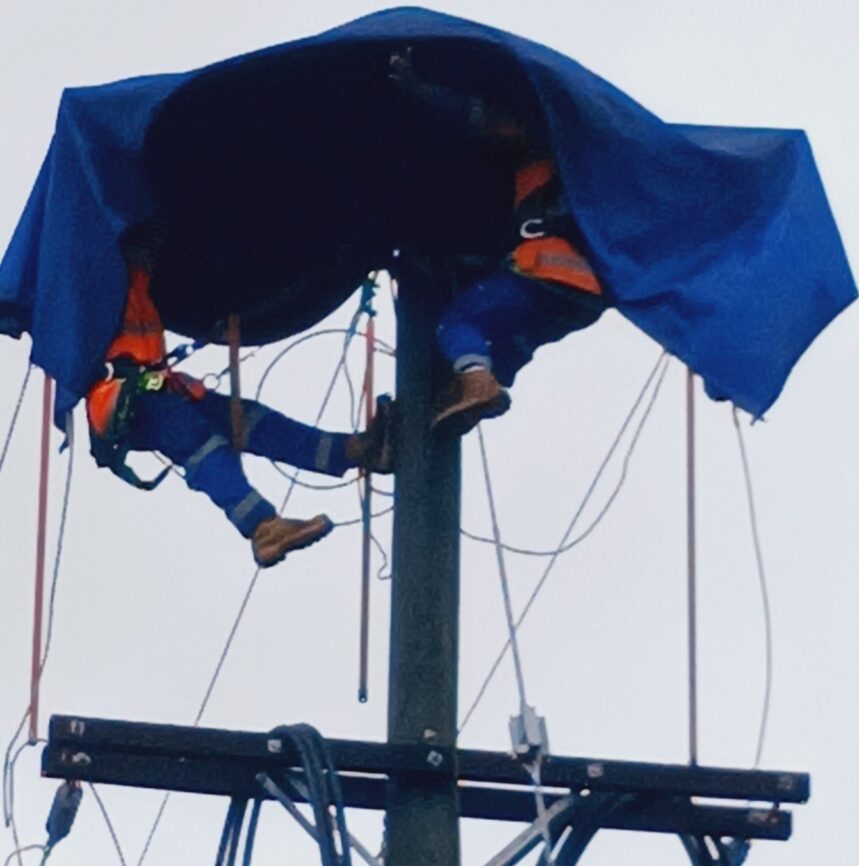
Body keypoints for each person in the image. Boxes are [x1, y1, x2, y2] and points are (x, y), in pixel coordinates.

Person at [86, 236, 394, 568]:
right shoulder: (102, 277)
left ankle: (353, 451)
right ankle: (262, 528)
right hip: (121, 398)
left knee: (248, 421)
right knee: (198, 440)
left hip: (155, 389)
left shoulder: (141, 282)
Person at [389, 52, 608, 435]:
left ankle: (476, 381)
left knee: (459, 322)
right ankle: (480, 387)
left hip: (546, 270)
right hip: (586, 297)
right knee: (508, 346)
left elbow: (481, 118)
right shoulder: (588, 173)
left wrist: (419, 89)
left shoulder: (547, 140)